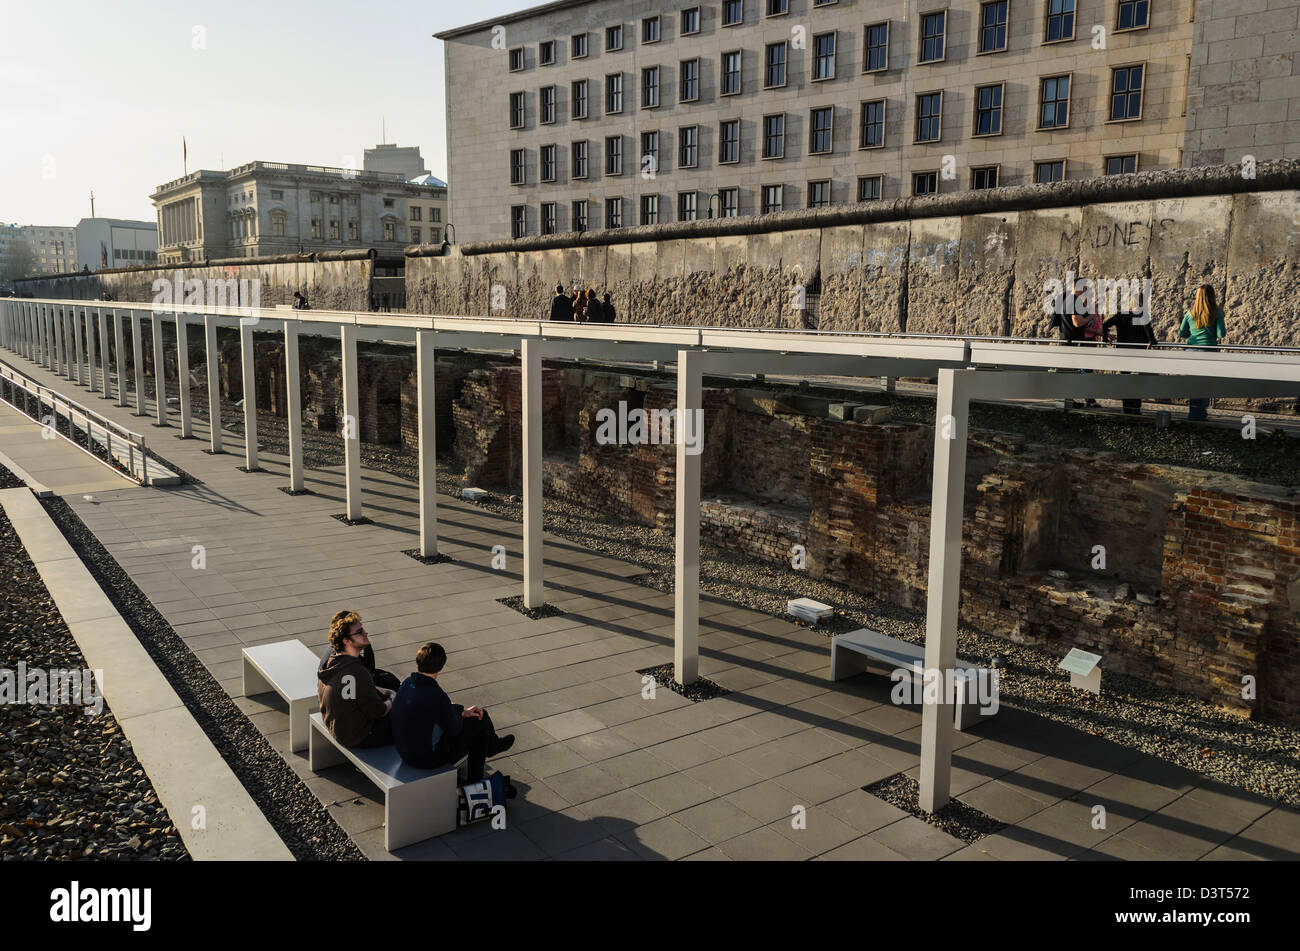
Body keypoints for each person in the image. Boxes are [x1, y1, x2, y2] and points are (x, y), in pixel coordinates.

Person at [390, 642, 515, 787]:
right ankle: (487, 757)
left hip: (404, 751)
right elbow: (454, 729)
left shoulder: (407, 683)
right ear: (441, 666)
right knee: (479, 721)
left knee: (475, 721)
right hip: (425, 758)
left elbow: (428, 710)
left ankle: (490, 749)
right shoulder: (436, 695)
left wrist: (459, 711)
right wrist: (458, 710)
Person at [317, 612, 398, 748]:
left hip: (337, 726)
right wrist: (392, 698)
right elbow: (379, 711)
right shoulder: (357, 671)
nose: (366, 633)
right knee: (409, 716)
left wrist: (380, 689)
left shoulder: (334, 662)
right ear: (346, 641)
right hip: (357, 736)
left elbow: (354, 689)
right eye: (360, 632)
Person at [1103, 293, 1158, 416]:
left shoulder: (1121, 315)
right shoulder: (1143, 315)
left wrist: (1106, 338)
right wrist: (1151, 342)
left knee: (1126, 381)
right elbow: (1150, 335)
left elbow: (1105, 325)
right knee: (1137, 382)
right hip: (1138, 354)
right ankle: (1136, 409)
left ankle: (1127, 409)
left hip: (1123, 353)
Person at [1179, 284, 1227, 420]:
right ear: (1212, 296)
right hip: (1209, 351)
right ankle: (1200, 413)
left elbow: (1182, 333)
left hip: (1192, 352)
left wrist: (1193, 332)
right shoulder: (1217, 313)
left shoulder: (1190, 313)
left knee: (1194, 383)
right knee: (1205, 383)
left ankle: (1195, 413)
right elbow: (1221, 333)